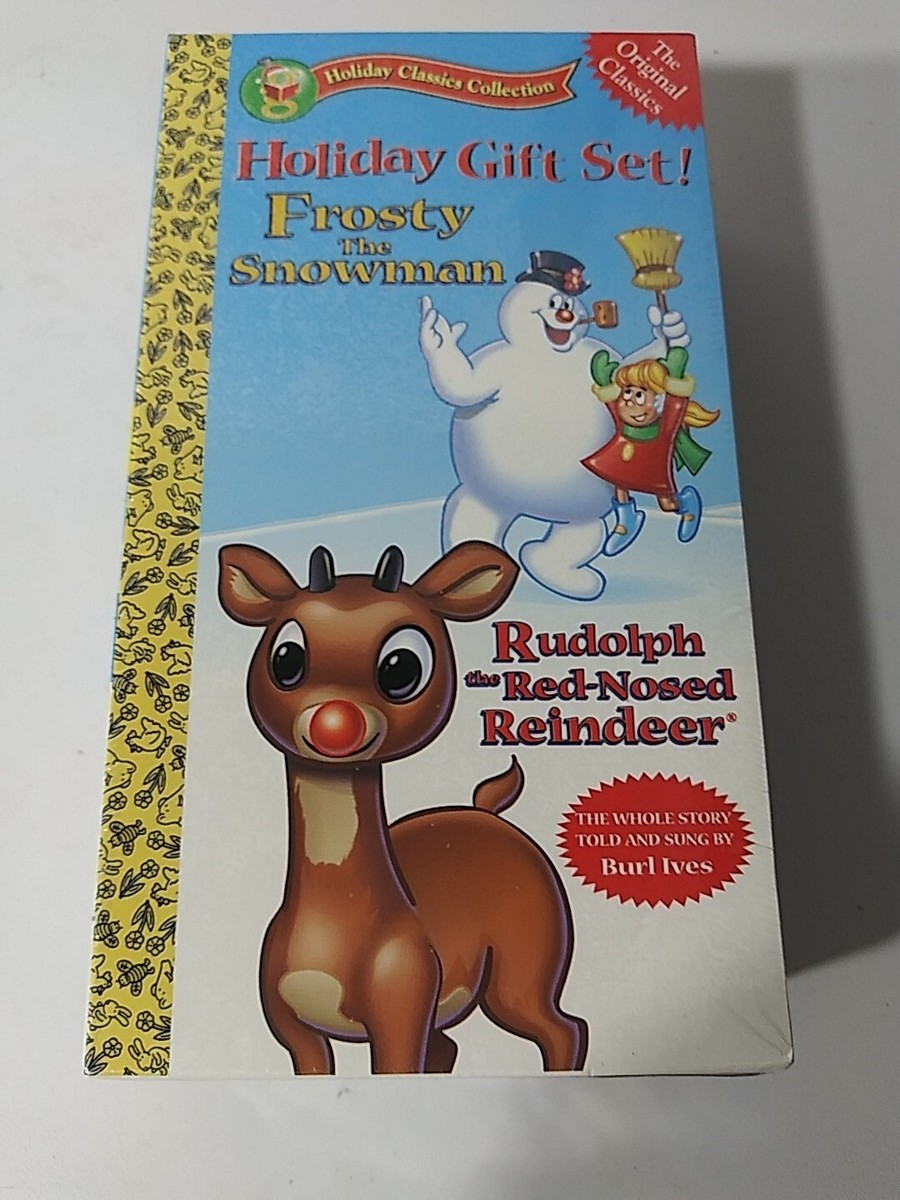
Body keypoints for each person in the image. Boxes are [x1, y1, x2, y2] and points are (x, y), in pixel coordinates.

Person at [581, 347, 719, 554]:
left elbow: (675, 406)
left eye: (639, 395)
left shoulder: (664, 429)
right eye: (627, 392)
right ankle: (626, 522)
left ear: (658, 402)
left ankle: (686, 503)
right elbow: (612, 405)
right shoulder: (623, 423)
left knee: (666, 504)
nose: (629, 400)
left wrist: (676, 379)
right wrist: (604, 382)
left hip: (652, 468)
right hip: (623, 461)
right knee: (620, 485)